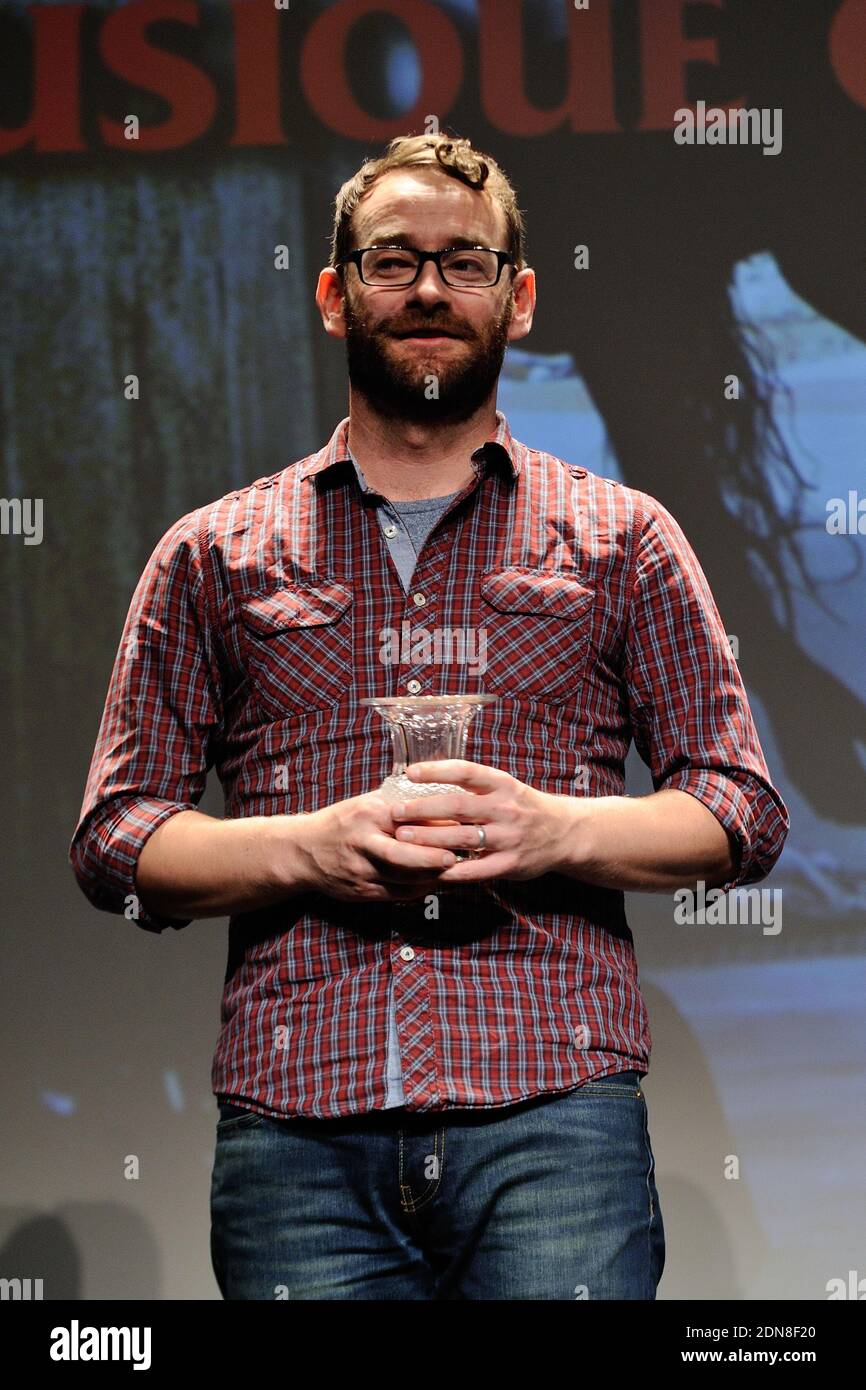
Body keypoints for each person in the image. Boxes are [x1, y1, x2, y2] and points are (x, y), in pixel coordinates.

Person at [70, 133, 789, 1300]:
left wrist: (556, 830)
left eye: (464, 263)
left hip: (553, 1115)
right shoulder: (214, 551)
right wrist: (308, 845)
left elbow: (739, 808)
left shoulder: (621, 537)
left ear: (518, 296)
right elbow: (115, 838)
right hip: (298, 1126)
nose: (426, 291)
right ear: (332, 292)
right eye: (391, 261)